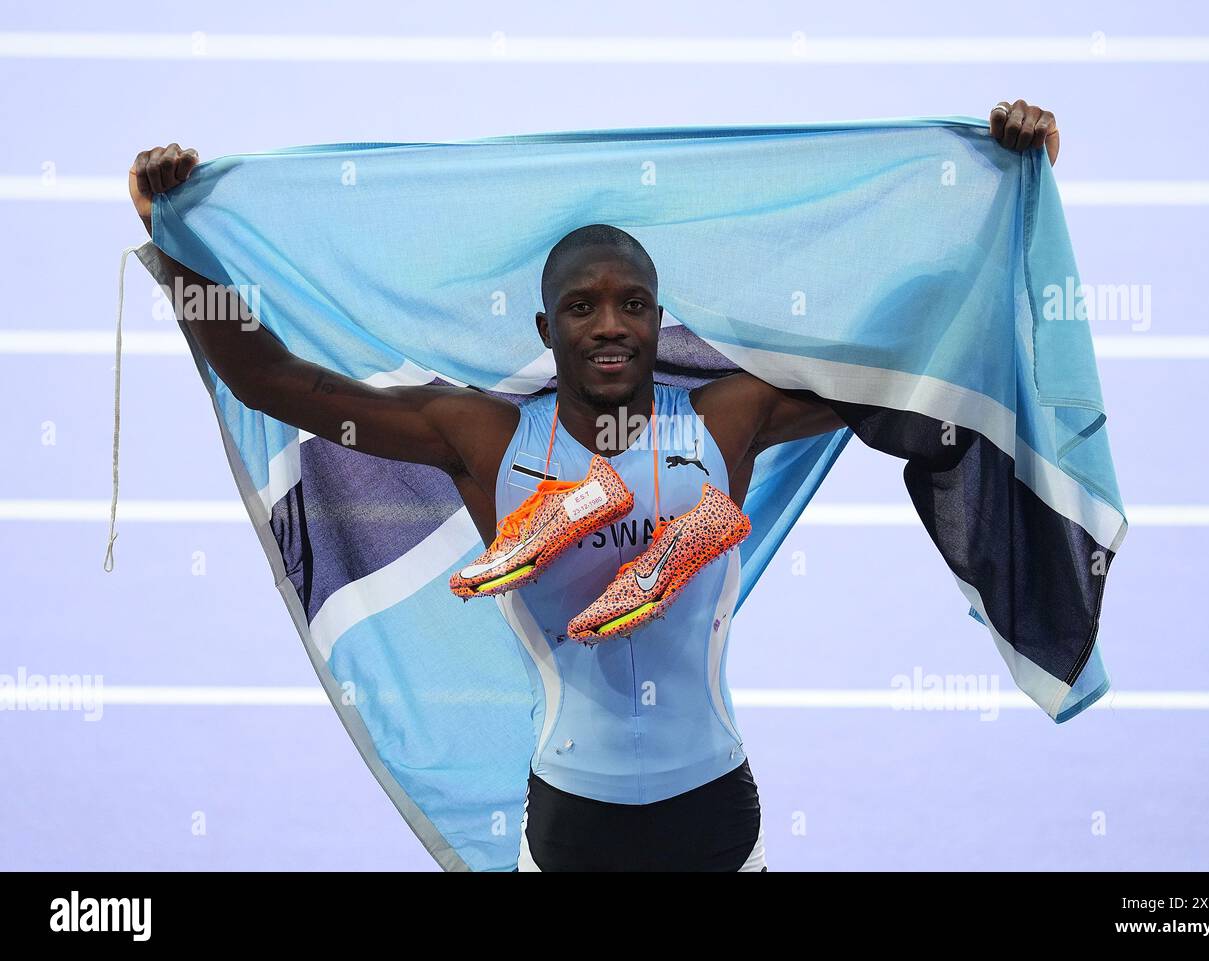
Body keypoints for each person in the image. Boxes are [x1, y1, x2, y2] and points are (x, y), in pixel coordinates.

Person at [128, 100, 1059, 871]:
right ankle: (585, 521)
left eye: (632, 305)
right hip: (571, 828)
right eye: (582, 306)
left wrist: (1002, 189)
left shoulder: (727, 420)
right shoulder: (483, 437)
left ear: (660, 321)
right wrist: (175, 245)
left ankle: (643, 539)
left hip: (715, 820)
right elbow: (280, 385)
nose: (608, 324)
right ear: (547, 323)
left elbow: (908, 353)